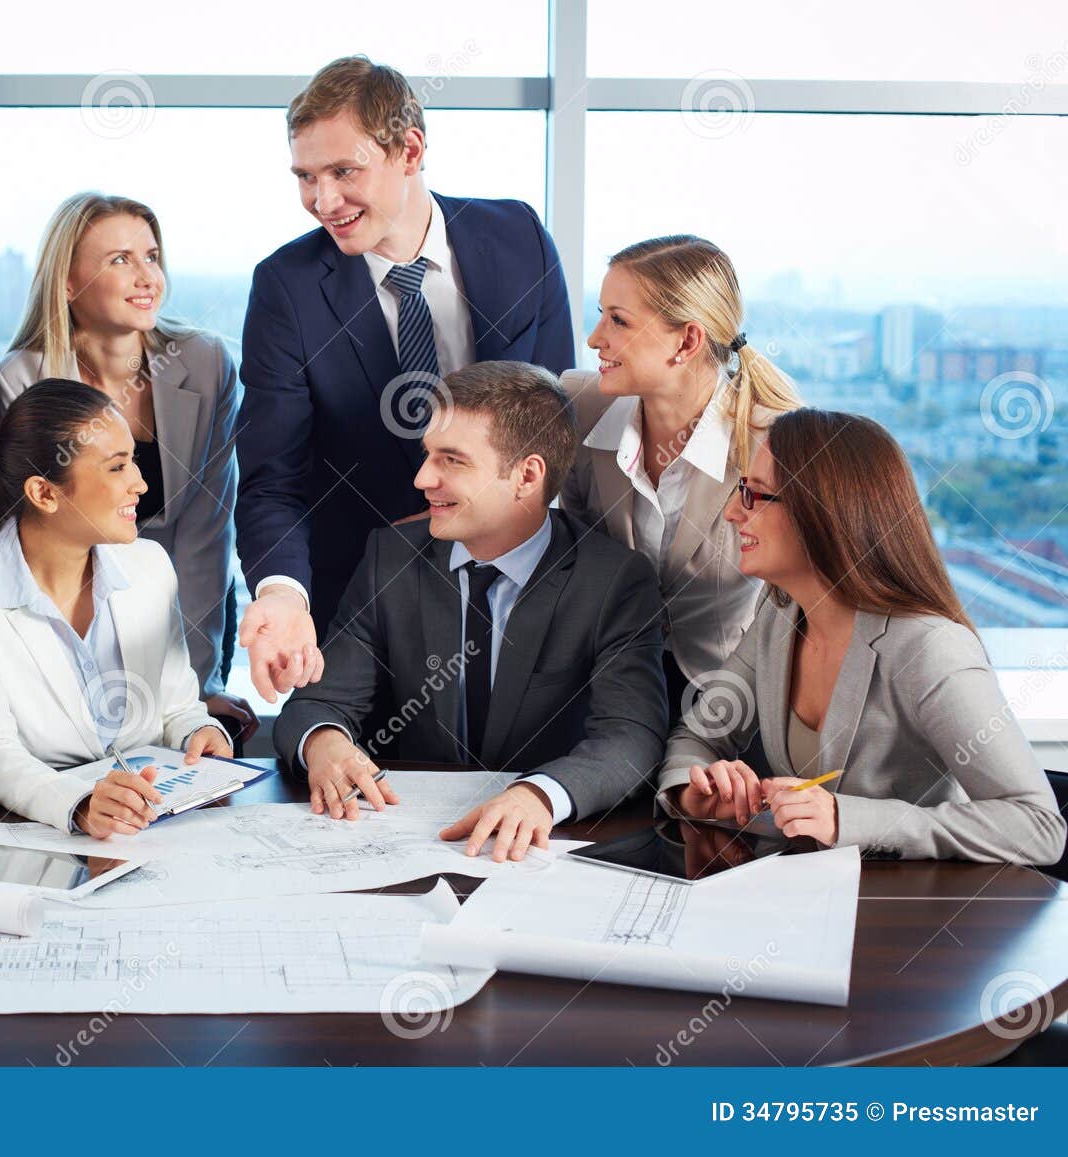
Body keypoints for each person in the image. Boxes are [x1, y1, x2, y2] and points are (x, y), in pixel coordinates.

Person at [236, 56, 576, 704]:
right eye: (305, 177)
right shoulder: (287, 287)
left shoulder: (519, 240)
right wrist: (281, 591)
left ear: (410, 149)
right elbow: (270, 479)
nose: (322, 201)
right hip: (363, 611)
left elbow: (555, 425)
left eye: (344, 171)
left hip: (521, 596)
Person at [273, 362, 668, 863]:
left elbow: (632, 737)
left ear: (526, 475)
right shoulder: (389, 557)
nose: (422, 478)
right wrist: (324, 744)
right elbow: (316, 705)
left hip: (542, 854)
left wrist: (540, 794)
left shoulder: (615, 580)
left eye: (451, 460)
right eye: (427, 455)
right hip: (410, 846)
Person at [659, 409, 1066, 865]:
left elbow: (1038, 825)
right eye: (740, 490)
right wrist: (696, 791)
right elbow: (699, 734)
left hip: (908, 915)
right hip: (803, 899)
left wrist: (846, 818)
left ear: (822, 514)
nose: (733, 512)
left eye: (754, 495)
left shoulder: (930, 649)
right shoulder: (779, 613)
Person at [0, 379, 233, 837]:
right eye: (116, 467)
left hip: (159, 824)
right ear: (44, 493)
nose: (140, 483)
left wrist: (200, 735)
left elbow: (177, 709)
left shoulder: (150, 567)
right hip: (43, 838)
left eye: (134, 461)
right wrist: (79, 803)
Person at [0, 192, 255, 742]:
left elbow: (206, 535)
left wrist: (193, 691)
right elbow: (40, 554)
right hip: (69, 626)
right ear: (67, 283)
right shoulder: (22, 383)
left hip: (187, 620)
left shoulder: (206, 364)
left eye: (152, 256)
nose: (147, 277)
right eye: (120, 260)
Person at [562, 235, 803, 713]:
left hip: (735, 698)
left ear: (688, 341)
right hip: (603, 686)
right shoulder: (580, 405)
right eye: (601, 313)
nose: (594, 338)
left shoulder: (775, 446)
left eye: (618, 320)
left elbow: (807, 600)